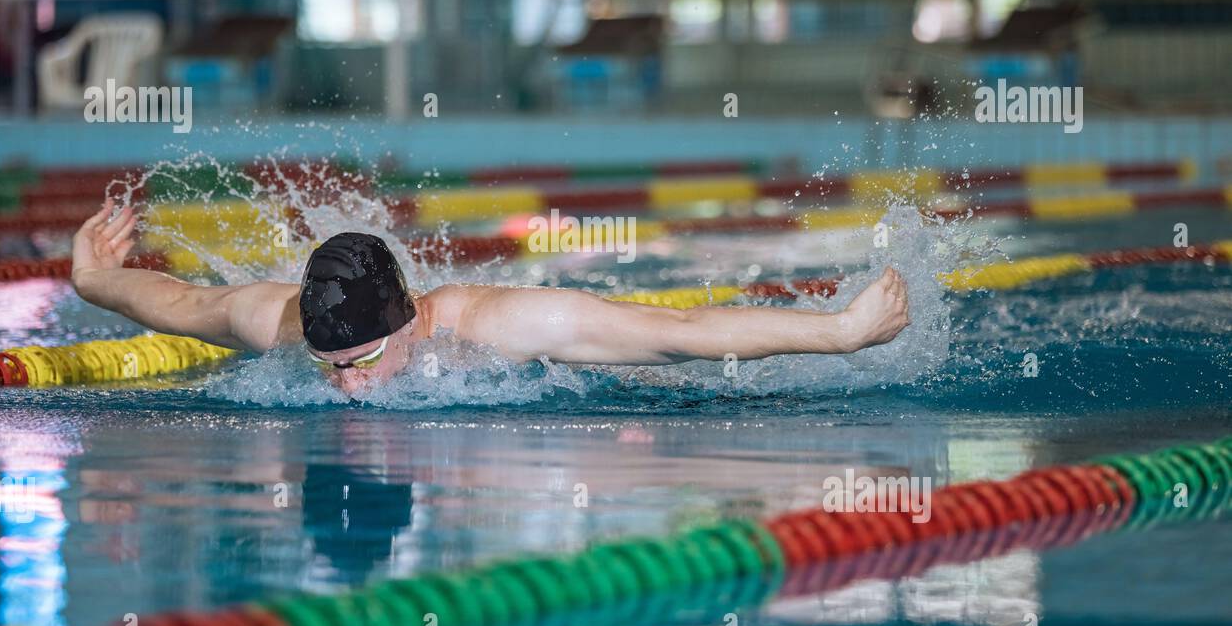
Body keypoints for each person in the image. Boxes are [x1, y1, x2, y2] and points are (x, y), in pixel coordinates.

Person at [71, 199, 910, 393]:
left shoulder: (504, 325)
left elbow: (682, 328)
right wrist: (95, 279)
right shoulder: (287, 323)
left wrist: (841, 332)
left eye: (359, 361)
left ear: (406, 323)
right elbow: (184, 305)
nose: (346, 386)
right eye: (329, 367)